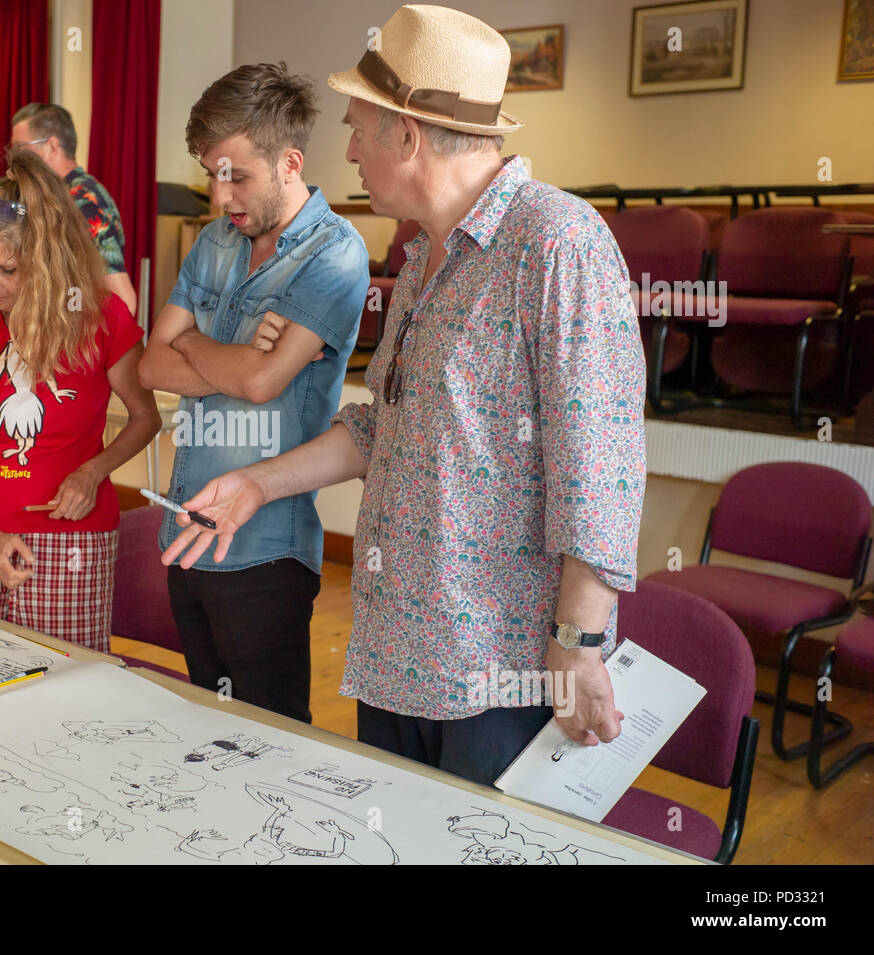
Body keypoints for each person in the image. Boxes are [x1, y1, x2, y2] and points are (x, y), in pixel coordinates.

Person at [160, 6, 646, 786]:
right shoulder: (421, 257)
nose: (346, 149)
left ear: (408, 135)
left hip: (497, 665)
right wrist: (258, 482)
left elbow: (605, 464)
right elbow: (381, 425)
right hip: (394, 652)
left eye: (358, 128)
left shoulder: (558, 241)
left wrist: (579, 642)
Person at [137, 63, 370, 724]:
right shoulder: (213, 242)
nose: (219, 196)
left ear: (288, 163)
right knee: (208, 734)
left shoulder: (336, 252)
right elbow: (150, 365)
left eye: (235, 174)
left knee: (272, 748)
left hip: (265, 547)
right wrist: (233, 358)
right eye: (212, 174)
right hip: (185, 533)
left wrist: (197, 346)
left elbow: (263, 384)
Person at [0, 150, 160, 652]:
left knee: (65, 690)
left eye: (7, 268)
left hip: (72, 541)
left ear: (49, 256)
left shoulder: (102, 318)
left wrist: (93, 472)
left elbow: (145, 417)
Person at [9, 103, 138, 315]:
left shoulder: (84, 201)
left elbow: (123, 299)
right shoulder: (58, 194)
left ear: (51, 146)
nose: (16, 159)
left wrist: (82, 344)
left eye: (21, 148)